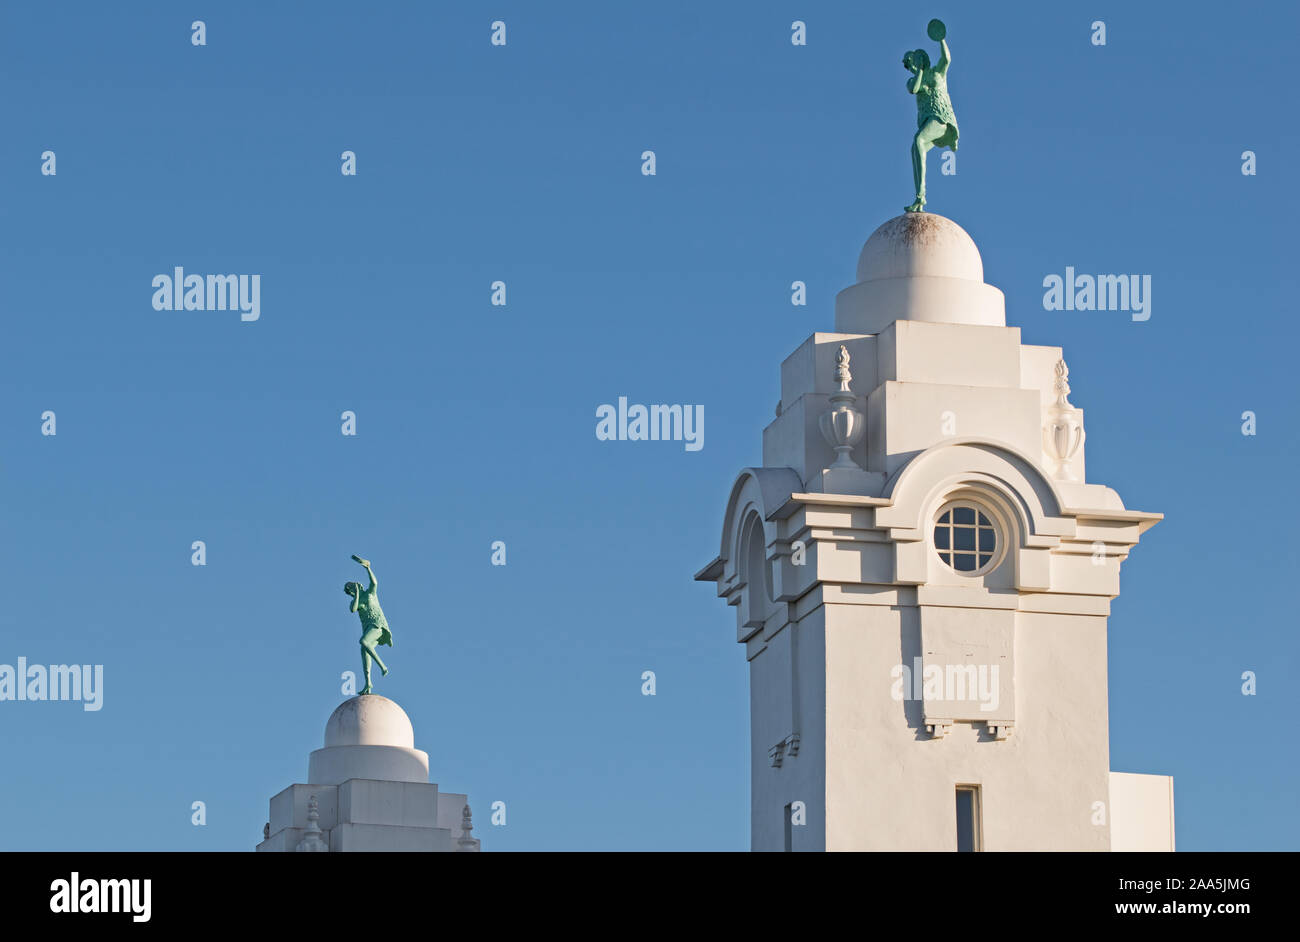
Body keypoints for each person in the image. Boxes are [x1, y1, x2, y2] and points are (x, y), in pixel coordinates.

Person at [902, 21, 958, 213]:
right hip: (927, 122)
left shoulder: (937, 73)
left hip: (940, 119)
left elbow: (947, 59)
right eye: (909, 65)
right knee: (915, 149)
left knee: (918, 140)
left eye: (912, 62)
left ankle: (920, 195)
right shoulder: (914, 80)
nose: (910, 66)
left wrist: (940, 39)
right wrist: (919, 73)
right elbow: (914, 89)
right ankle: (920, 196)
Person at [344, 555, 392, 695]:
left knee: (364, 642)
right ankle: (368, 683)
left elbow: (375, 583)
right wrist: (357, 594)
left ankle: (383, 666)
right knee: (364, 652)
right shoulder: (357, 602)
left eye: (352, 587)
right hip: (368, 628)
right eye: (350, 590)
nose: (352, 590)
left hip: (377, 625)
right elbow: (353, 609)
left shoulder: (370, 594)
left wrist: (368, 569)